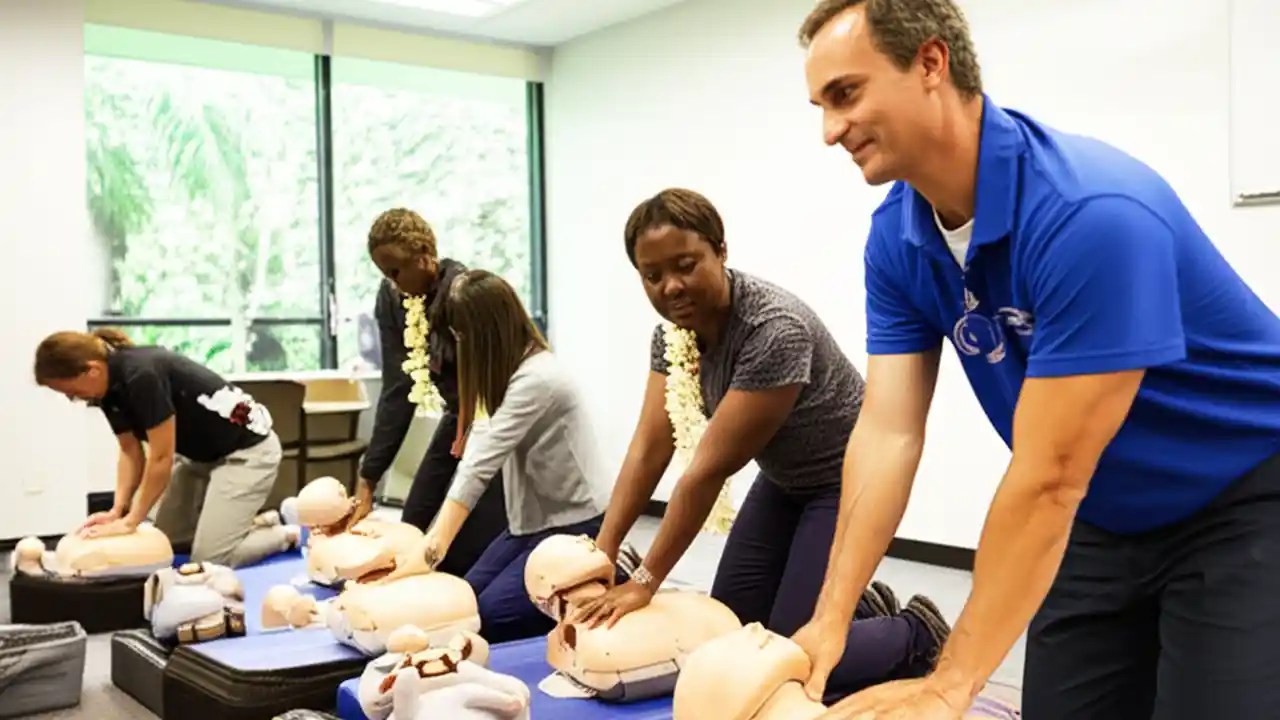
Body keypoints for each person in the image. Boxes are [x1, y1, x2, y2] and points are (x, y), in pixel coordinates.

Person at [794, 1, 1280, 718]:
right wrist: (831, 618)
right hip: (1104, 508)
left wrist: (950, 684)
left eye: (846, 94)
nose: (830, 130)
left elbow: (1050, 478)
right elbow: (888, 432)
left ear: (930, 63)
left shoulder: (1091, 213)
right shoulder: (896, 241)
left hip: (1243, 494)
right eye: (821, 106)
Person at [569, 188, 950, 702]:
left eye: (686, 265)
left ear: (720, 250)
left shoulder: (773, 330)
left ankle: (915, 633)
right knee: (730, 632)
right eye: (652, 275)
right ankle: (861, 609)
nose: (671, 286)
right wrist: (603, 550)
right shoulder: (672, 335)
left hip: (846, 480)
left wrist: (644, 580)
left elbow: (707, 471)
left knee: (787, 655)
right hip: (783, 480)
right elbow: (648, 448)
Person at [387, 269, 612, 643]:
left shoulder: (537, 379)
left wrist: (427, 553)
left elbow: (477, 468)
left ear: (483, 333)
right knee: (463, 601)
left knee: (486, 617)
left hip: (577, 526)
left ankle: (603, 571)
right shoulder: (508, 377)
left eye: (461, 337)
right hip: (529, 526)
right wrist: (425, 543)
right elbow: (473, 450)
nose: (459, 347)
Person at [34, 328, 295, 568]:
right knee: (163, 543)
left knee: (212, 559)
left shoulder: (142, 375)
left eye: (71, 392)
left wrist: (131, 521)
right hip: (199, 457)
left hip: (247, 453)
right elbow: (130, 451)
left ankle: (284, 534)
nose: (73, 399)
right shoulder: (107, 390)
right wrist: (118, 511)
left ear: (92, 370)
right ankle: (247, 525)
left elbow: (160, 458)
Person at [355, 208, 508, 577]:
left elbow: (491, 385)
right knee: (413, 526)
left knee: (461, 550)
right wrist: (368, 478)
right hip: (457, 419)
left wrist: (473, 443)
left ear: (425, 256)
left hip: (497, 424)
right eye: (384, 274)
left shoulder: (465, 294)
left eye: (396, 272)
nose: (392, 283)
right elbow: (398, 390)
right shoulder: (391, 300)